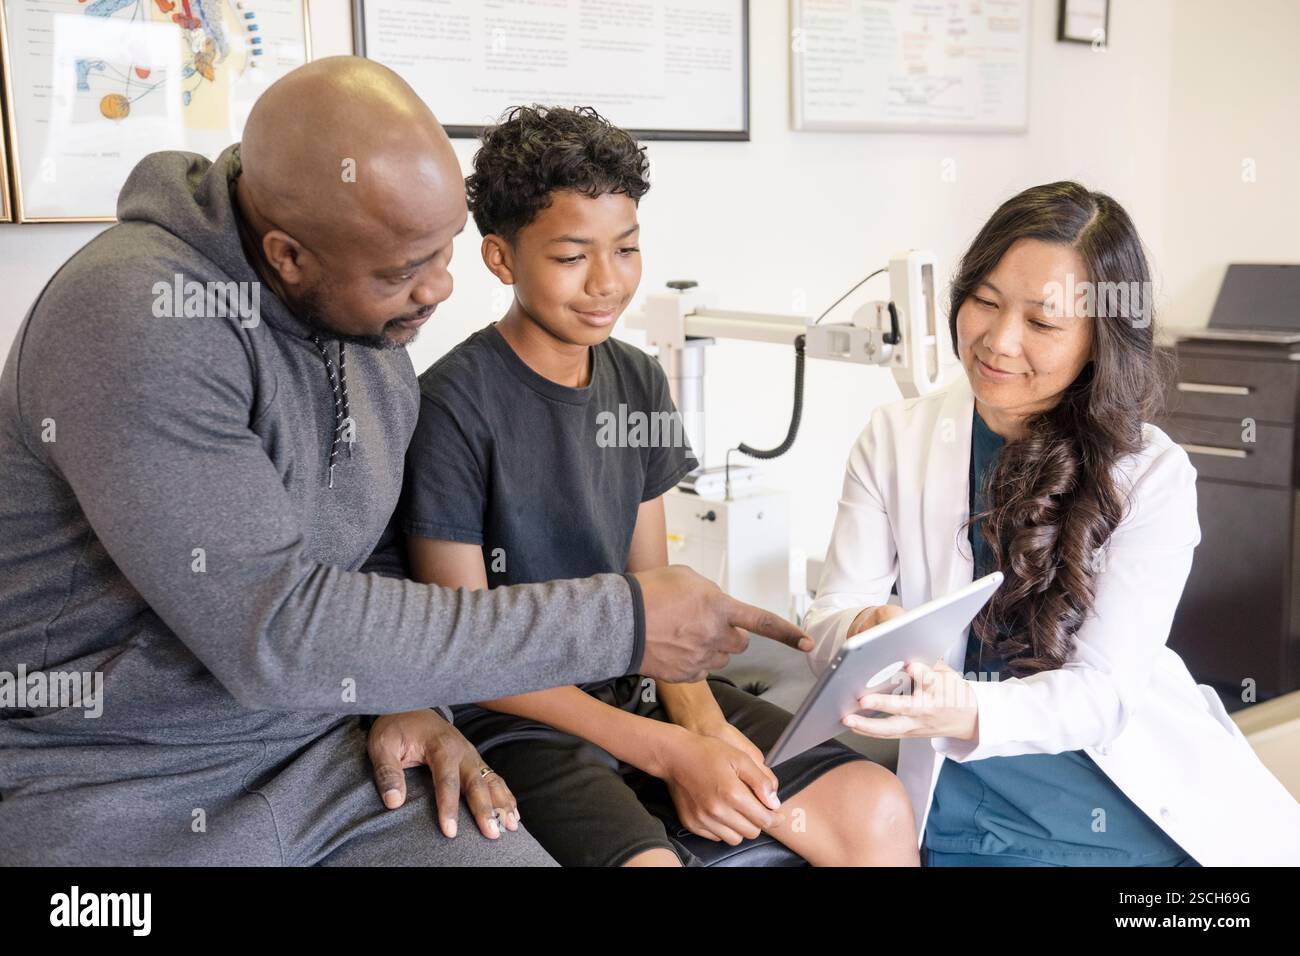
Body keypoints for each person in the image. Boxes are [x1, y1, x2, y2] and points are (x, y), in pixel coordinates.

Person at [0, 57, 809, 866]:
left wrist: (414, 701)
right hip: (111, 778)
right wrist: (622, 621)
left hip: (331, 752)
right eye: (403, 272)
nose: (440, 290)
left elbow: (374, 552)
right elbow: (276, 630)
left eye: (444, 250)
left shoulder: (375, 332)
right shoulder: (135, 317)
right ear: (287, 256)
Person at [387, 105, 919, 867]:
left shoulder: (636, 380)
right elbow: (472, 652)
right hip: (520, 720)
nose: (608, 283)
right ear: (500, 259)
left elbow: (653, 588)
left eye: (627, 249)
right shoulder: (451, 407)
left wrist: (700, 722)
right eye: (572, 256)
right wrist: (668, 754)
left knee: (874, 807)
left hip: (636, 687)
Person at [805, 181, 1300, 866]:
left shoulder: (1151, 474)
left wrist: (969, 710)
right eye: (985, 301)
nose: (999, 342)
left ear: (1099, 341)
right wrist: (863, 629)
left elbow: (1102, 694)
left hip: (1114, 780)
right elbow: (832, 611)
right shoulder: (895, 437)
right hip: (966, 791)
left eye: (1041, 323)